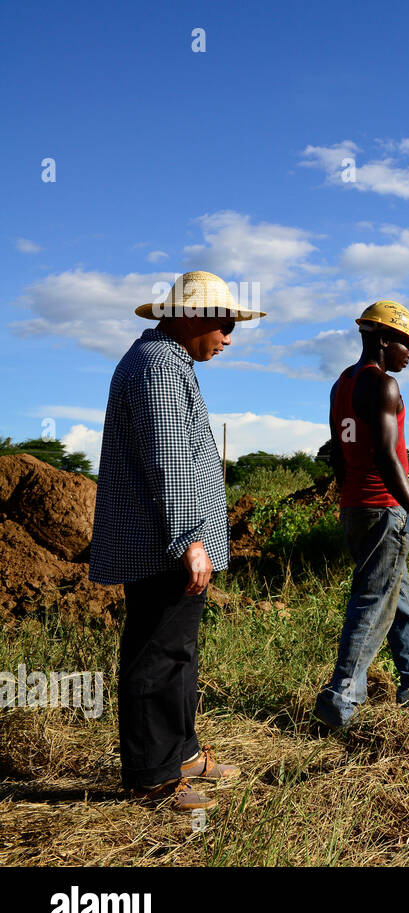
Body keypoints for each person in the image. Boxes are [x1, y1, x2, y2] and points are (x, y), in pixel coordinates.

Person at [90, 270, 256, 813]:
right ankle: (151, 777)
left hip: (167, 538)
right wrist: (189, 538)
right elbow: (170, 460)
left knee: (177, 650)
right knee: (158, 653)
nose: (229, 337)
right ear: (193, 318)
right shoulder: (159, 365)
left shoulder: (165, 360)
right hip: (164, 541)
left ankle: (180, 753)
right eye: (225, 324)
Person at [314, 301, 409, 729]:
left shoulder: (341, 384)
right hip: (383, 508)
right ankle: (339, 700)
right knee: (374, 603)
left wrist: (350, 496)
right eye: (404, 343)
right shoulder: (384, 385)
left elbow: (338, 452)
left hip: (358, 507)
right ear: (382, 339)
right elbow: (386, 459)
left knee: (404, 604)